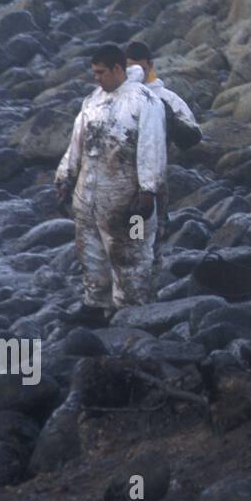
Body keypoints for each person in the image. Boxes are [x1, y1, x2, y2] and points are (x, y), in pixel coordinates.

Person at [55, 44, 166, 325]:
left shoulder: (145, 101)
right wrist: (65, 177)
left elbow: (151, 147)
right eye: (94, 73)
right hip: (87, 194)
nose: (97, 78)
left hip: (123, 195)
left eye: (101, 72)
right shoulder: (92, 100)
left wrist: (148, 190)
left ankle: (132, 313)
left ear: (118, 69)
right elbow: (77, 142)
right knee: (89, 250)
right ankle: (95, 305)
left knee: (129, 254)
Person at [125, 41, 201, 271]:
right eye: (129, 68)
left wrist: (171, 121)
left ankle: (147, 274)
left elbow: (192, 137)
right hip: (118, 177)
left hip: (152, 177)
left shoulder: (167, 98)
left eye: (139, 67)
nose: (135, 73)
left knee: (148, 228)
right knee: (123, 231)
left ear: (150, 65)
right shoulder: (115, 98)